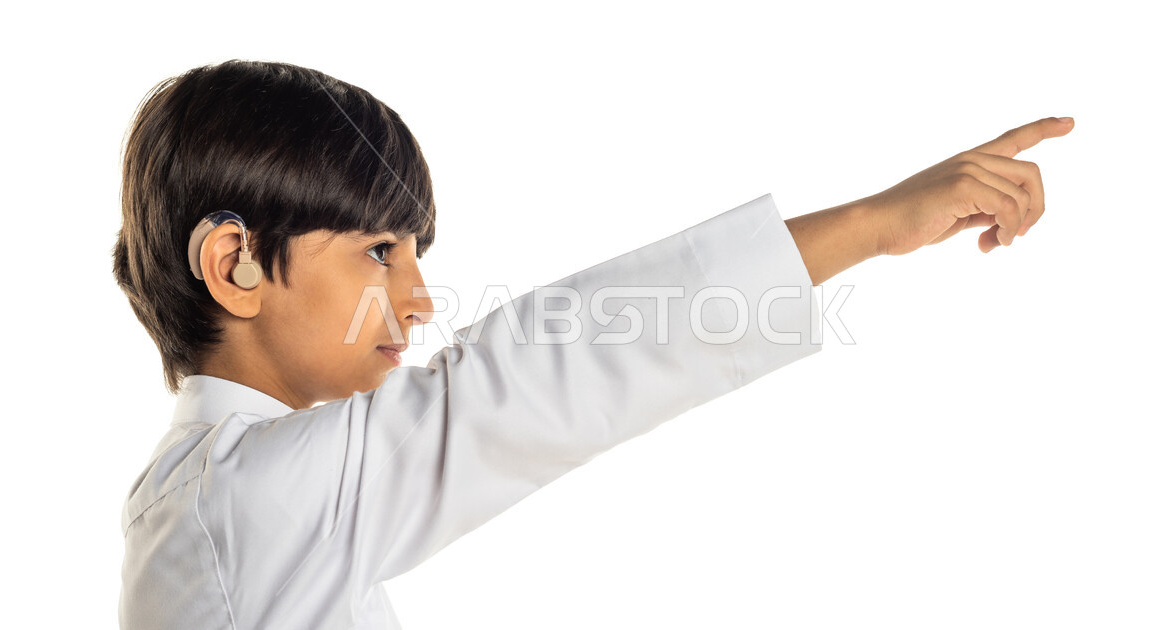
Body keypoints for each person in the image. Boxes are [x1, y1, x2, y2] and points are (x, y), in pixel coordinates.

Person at [112, 58, 1073, 630]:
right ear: (236, 263)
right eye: (379, 251)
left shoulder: (218, 498)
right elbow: (532, 374)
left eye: (416, 253)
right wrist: (871, 225)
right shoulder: (249, 495)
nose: (416, 298)